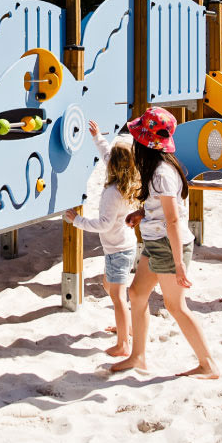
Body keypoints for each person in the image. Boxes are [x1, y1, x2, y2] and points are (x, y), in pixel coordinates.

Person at [112, 107, 220, 379]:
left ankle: (208, 365)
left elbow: (173, 221)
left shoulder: (161, 173)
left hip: (169, 245)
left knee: (176, 306)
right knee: (137, 294)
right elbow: (163, 212)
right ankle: (137, 357)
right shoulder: (157, 169)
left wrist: (179, 265)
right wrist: (143, 213)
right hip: (156, 242)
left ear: (143, 144)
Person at [64, 121, 141, 357]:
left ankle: (124, 342)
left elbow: (104, 224)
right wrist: (98, 137)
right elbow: (108, 155)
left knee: (118, 297)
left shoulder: (111, 194)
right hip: (122, 246)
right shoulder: (129, 181)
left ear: (113, 168)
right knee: (109, 286)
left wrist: (78, 220)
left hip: (118, 249)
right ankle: (124, 326)